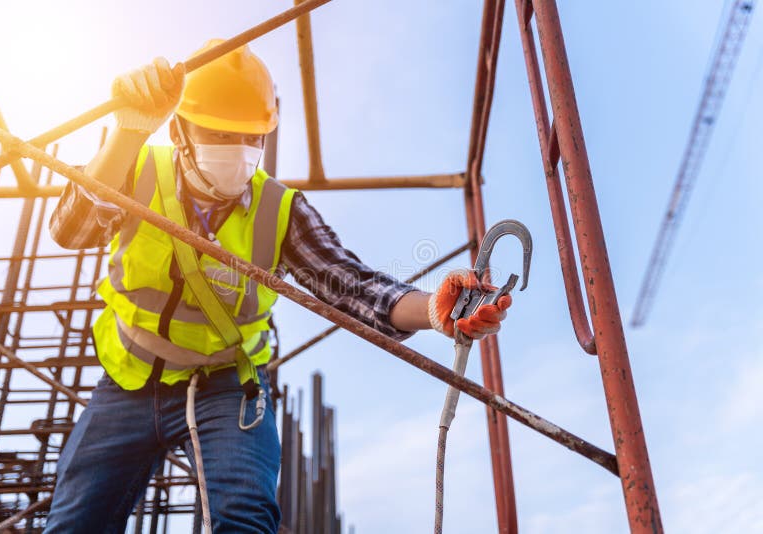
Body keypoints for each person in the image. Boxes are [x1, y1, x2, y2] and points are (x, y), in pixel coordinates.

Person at [44, 39, 511, 533]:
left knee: (245, 518)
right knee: (74, 524)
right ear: (181, 129)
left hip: (227, 384)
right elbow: (70, 231)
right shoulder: (136, 167)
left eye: (251, 137)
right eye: (219, 133)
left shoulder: (279, 210)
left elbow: (350, 285)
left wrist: (436, 312)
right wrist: (127, 134)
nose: (237, 151)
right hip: (130, 379)